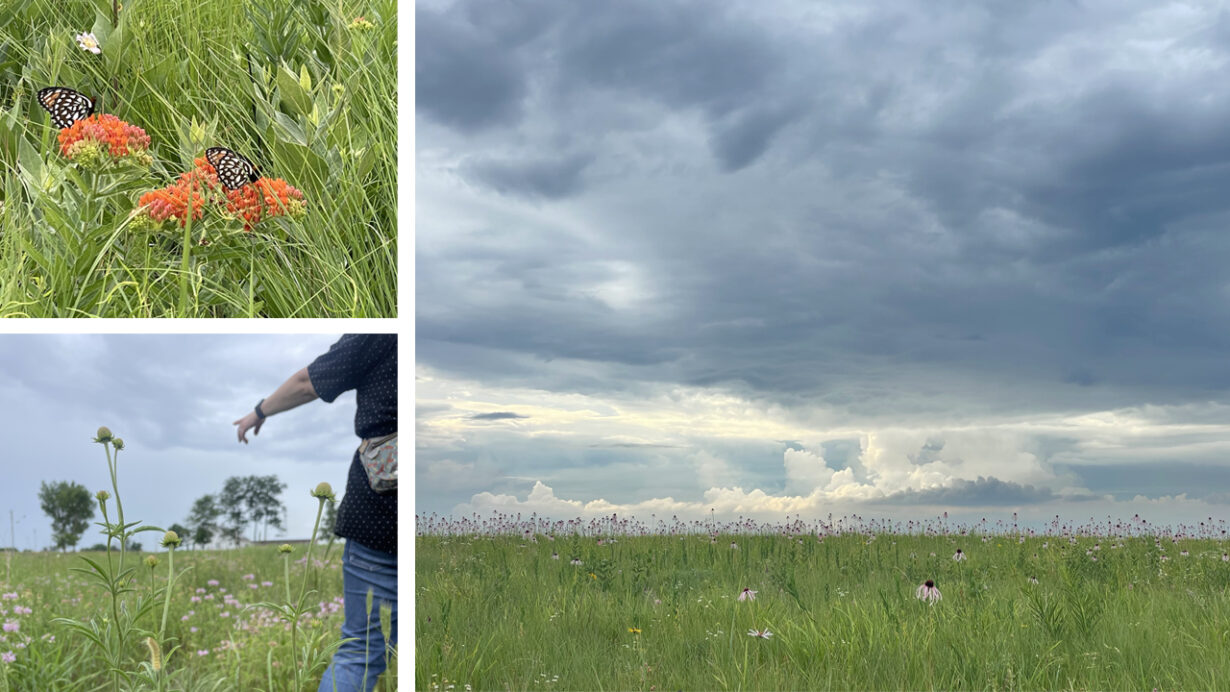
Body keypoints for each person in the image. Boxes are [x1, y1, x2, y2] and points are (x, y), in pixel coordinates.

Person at [233, 334, 397, 692]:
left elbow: (307, 382)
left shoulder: (383, 335)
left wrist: (259, 412)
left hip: (377, 520)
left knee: (360, 651)